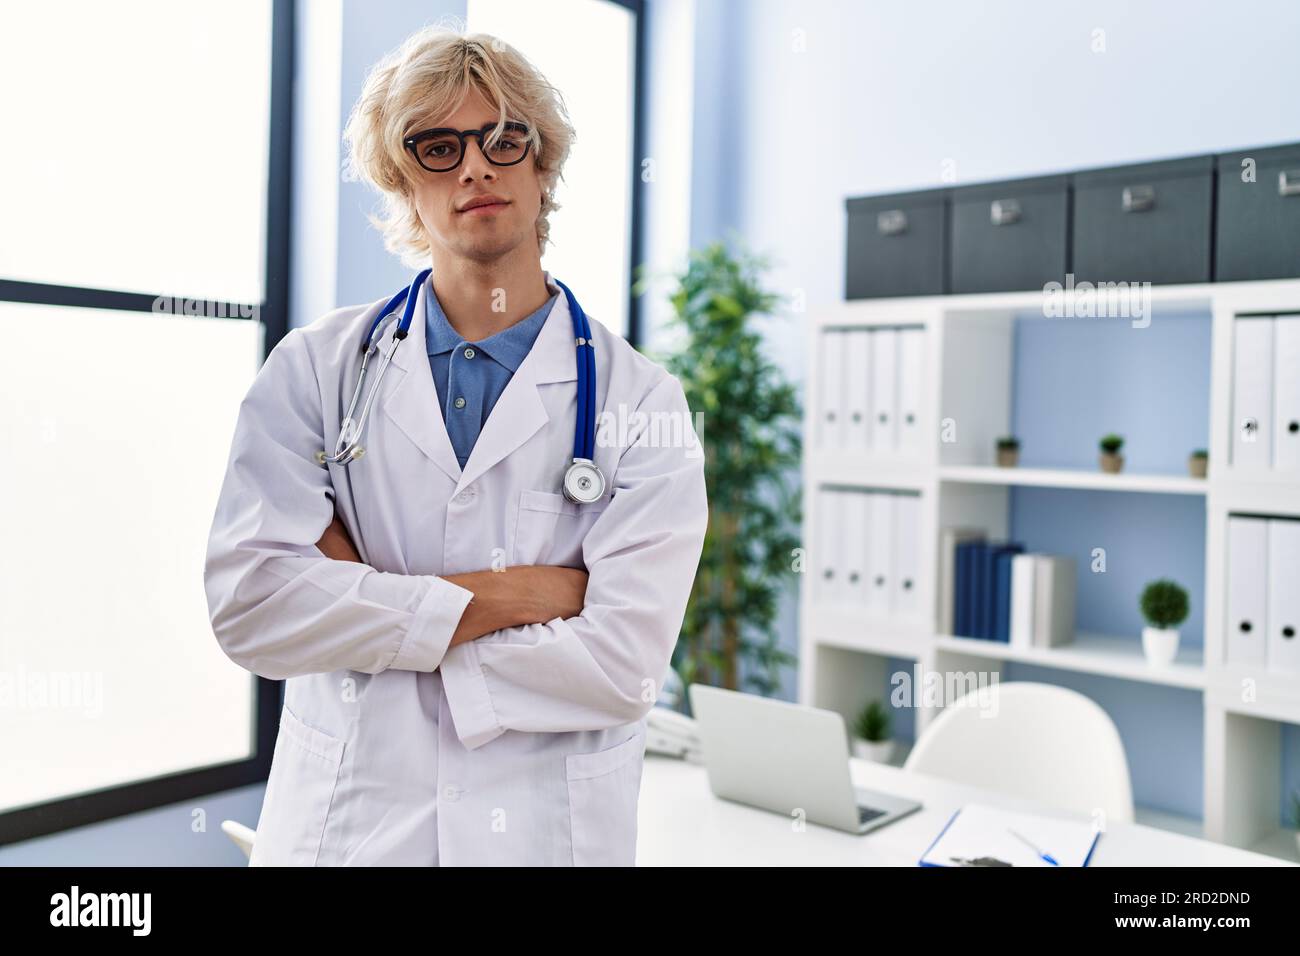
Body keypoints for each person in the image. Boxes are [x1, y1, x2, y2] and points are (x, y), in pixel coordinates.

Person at [203, 26, 708, 866]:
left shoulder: (642, 401)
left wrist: (363, 599)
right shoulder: (316, 373)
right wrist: (523, 594)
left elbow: (623, 665)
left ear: (543, 164)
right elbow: (254, 608)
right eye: (437, 146)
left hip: (543, 836)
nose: (475, 167)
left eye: (504, 138)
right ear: (402, 181)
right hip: (350, 832)